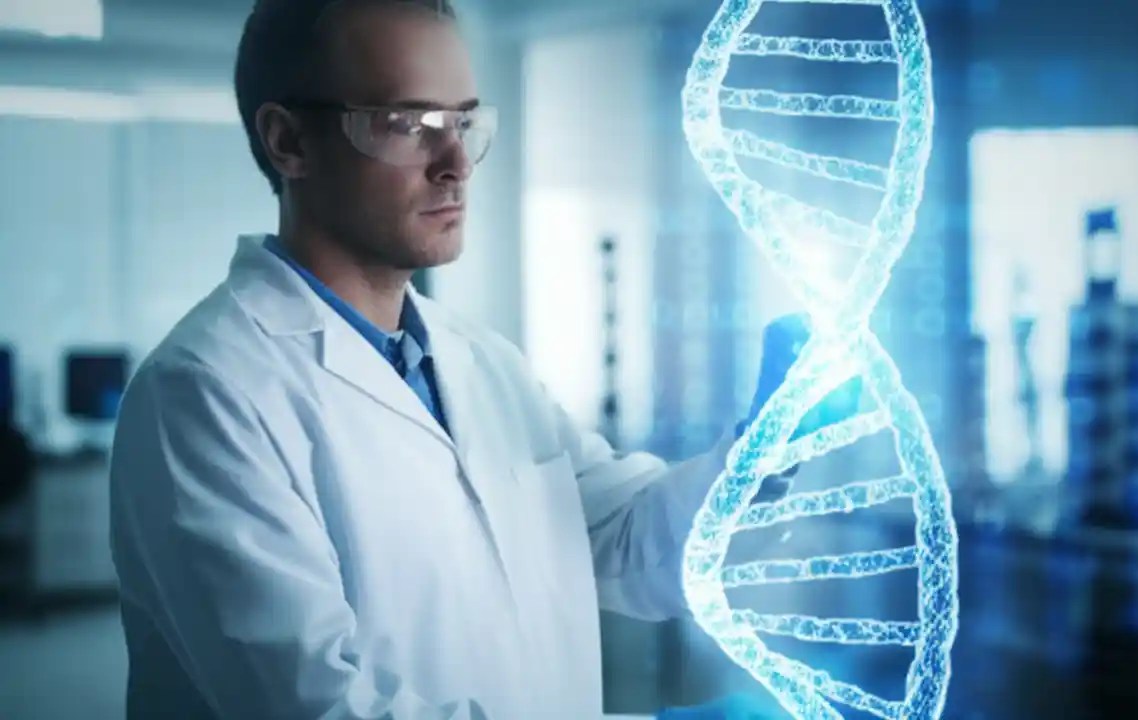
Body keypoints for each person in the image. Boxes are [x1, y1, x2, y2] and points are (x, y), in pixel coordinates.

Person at [109, 1, 843, 718]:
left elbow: (618, 541)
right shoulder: (205, 392)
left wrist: (762, 455)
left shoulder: (483, 363)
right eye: (409, 124)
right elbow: (317, 704)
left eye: (463, 121)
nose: (456, 163)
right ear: (288, 142)